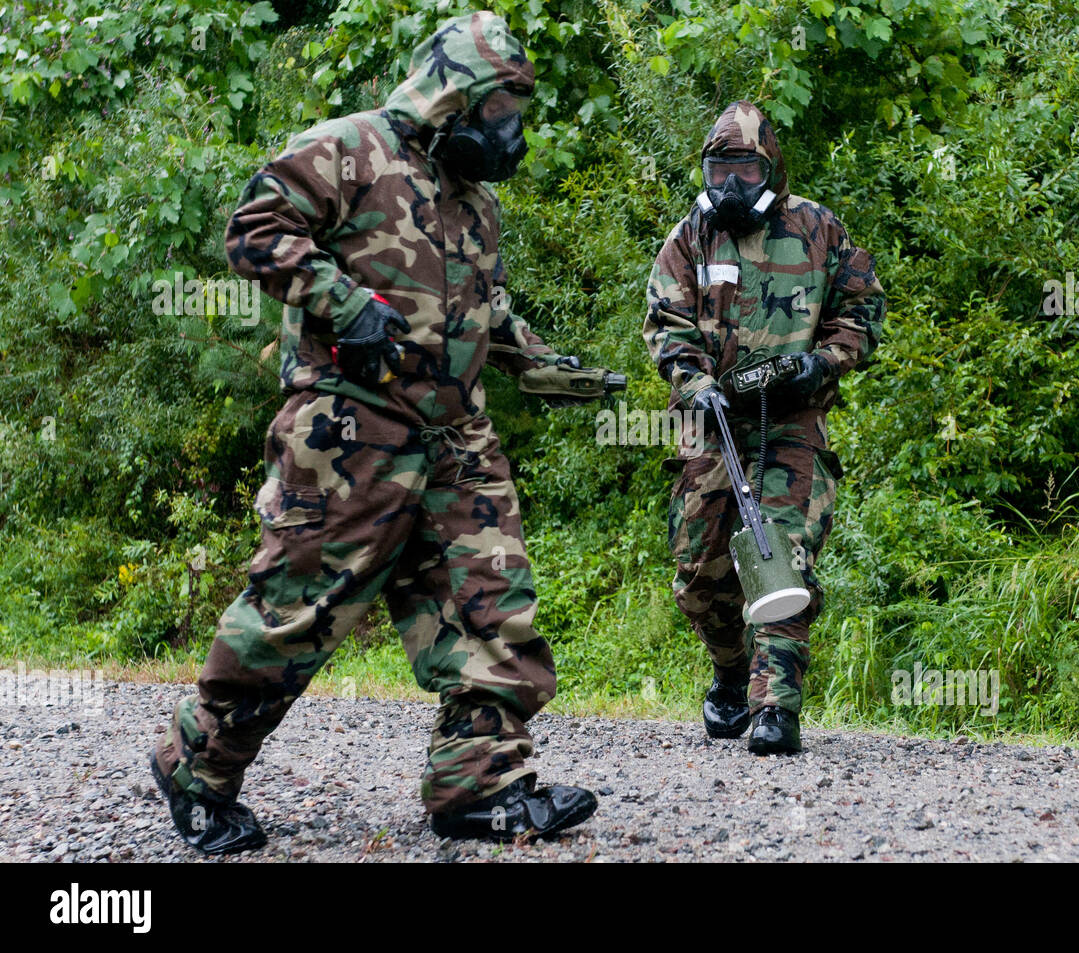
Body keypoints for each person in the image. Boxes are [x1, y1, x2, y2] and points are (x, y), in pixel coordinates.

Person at [149, 11, 600, 854]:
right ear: (449, 100)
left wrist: (539, 360)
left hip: (456, 435)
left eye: (516, 117)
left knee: (491, 604)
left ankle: (481, 784)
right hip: (351, 428)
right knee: (296, 611)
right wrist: (345, 303)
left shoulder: (474, 202)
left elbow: (480, 308)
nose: (511, 136)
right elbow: (254, 230)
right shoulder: (347, 149)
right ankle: (196, 766)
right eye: (499, 115)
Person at [644, 100, 886, 755]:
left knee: (783, 557)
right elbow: (667, 325)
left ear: (771, 169)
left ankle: (775, 707)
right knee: (700, 573)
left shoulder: (817, 229)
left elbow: (862, 310)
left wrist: (823, 362)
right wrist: (694, 384)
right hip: (713, 422)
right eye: (719, 169)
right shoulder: (690, 236)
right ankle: (729, 668)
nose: (729, 186)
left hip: (790, 422)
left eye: (743, 171)